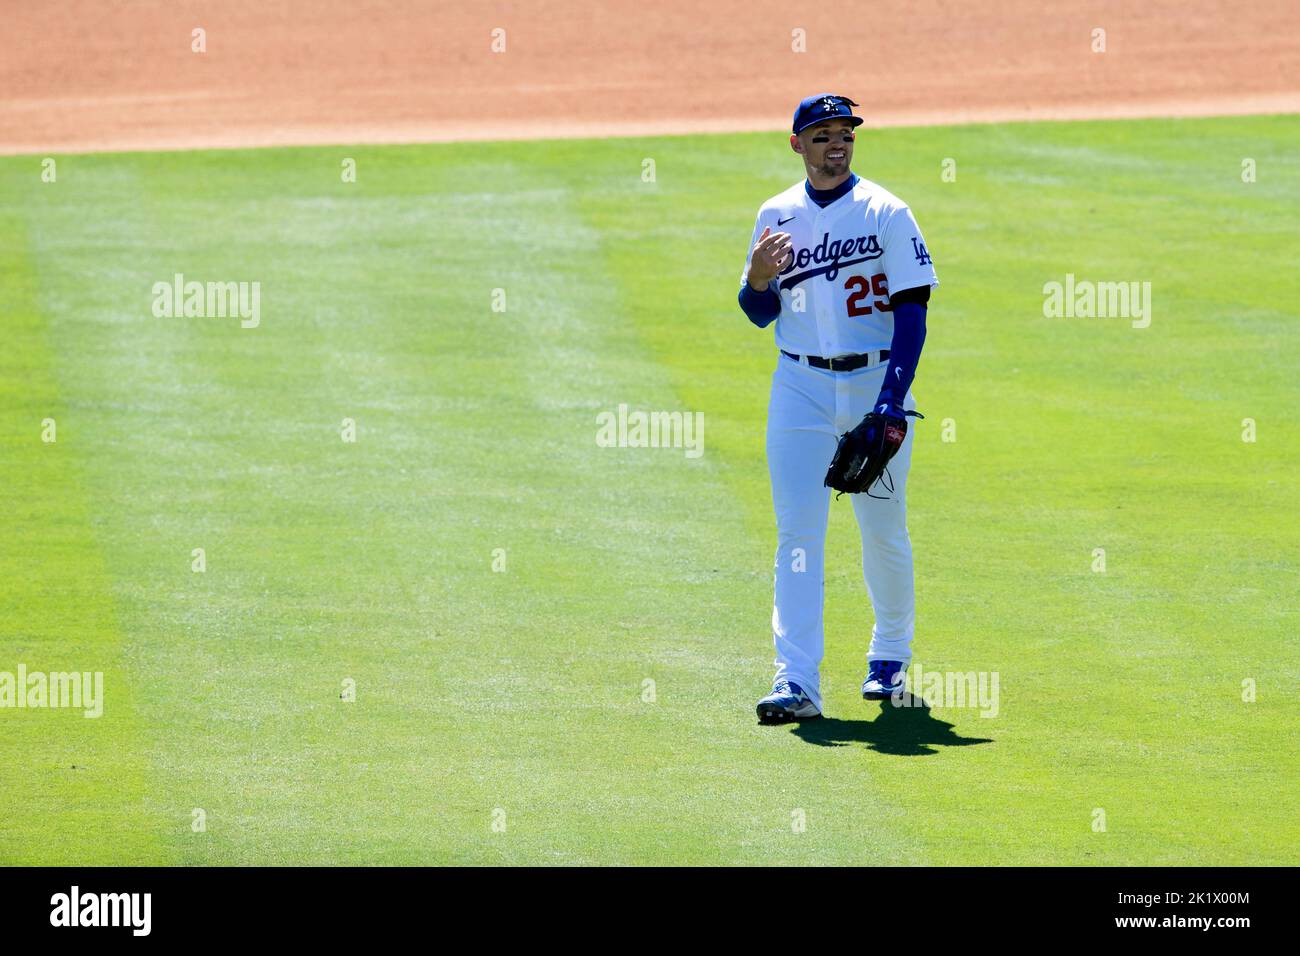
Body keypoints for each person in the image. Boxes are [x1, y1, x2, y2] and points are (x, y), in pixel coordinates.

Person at [738, 94, 939, 723]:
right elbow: (758, 313)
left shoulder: (886, 212)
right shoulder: (776, 213)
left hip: (875, 382)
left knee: (882, 526)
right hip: (798, 389)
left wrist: (889, 405)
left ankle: (890, 659)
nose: (836, 144)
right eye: (822, 135)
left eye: (844, 135)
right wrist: (758, 278)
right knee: (798, 533)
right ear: (797, 143)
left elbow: (913, 312)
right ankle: (795, 681)